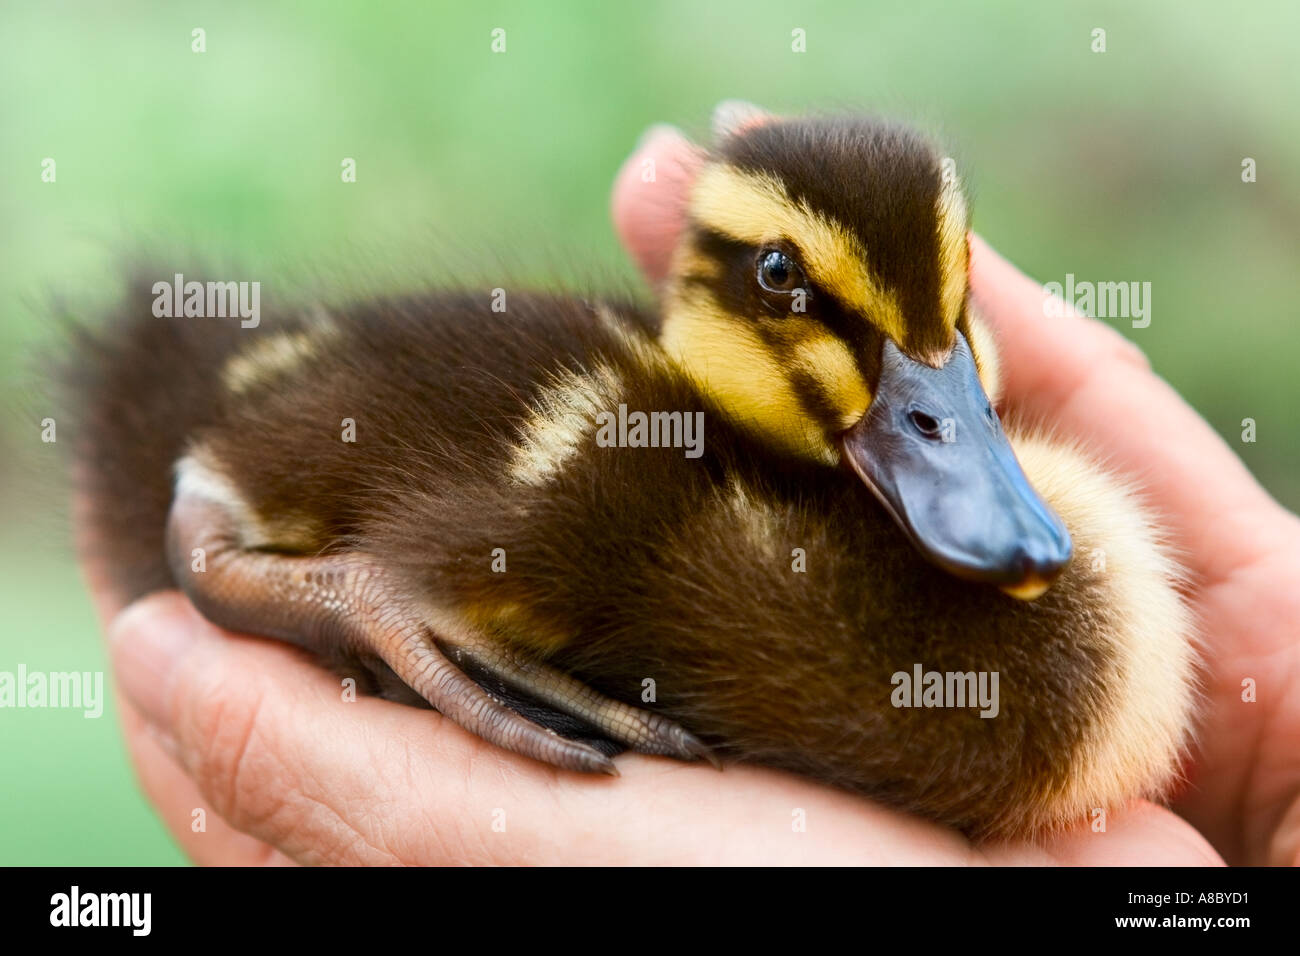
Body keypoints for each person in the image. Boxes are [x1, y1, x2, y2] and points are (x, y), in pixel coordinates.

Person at [88, 120, 1300, 866]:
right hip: (262, 452)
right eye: (790, 280)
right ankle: (232, 539)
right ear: (710, 284)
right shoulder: (623, 490)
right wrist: (289, 571)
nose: (927, 393)